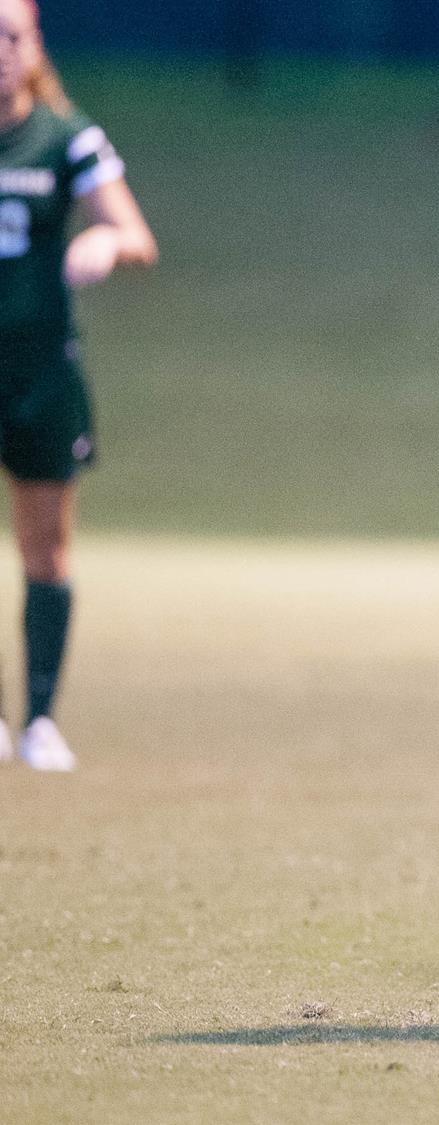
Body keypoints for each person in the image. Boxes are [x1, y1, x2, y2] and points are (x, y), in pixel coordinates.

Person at [0, 0, 156, 772]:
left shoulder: (66, 139)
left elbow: (134, 232)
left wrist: (103, 238)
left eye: (10, 35)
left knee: (46, 551)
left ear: (32, 47)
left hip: (39, 371)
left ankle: (37, 719)